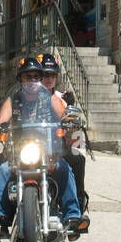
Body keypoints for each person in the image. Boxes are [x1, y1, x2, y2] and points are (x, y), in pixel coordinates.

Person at [0, 57, 85, 236]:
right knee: (2, 169)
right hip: (19, 153)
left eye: (36, 77)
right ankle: (0, 215)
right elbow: (1, 119)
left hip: (47, 151)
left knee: (64, 168)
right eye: (27, 76)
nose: (32, 80)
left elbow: (64, 116)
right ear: (20, 79)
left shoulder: (49, 98)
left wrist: (71, 122)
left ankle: (73, 216)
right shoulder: (13, 99)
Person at [37, 51, 90, 227]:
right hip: (31, 147)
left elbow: (75, 133)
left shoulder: (61, 98)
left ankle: (78, 209)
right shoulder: (27, 96)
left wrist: (72, 106)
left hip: (56, 148)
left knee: (78, 158)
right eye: (45, 74)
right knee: (1, 163)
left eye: (52, 75)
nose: (49, 78)